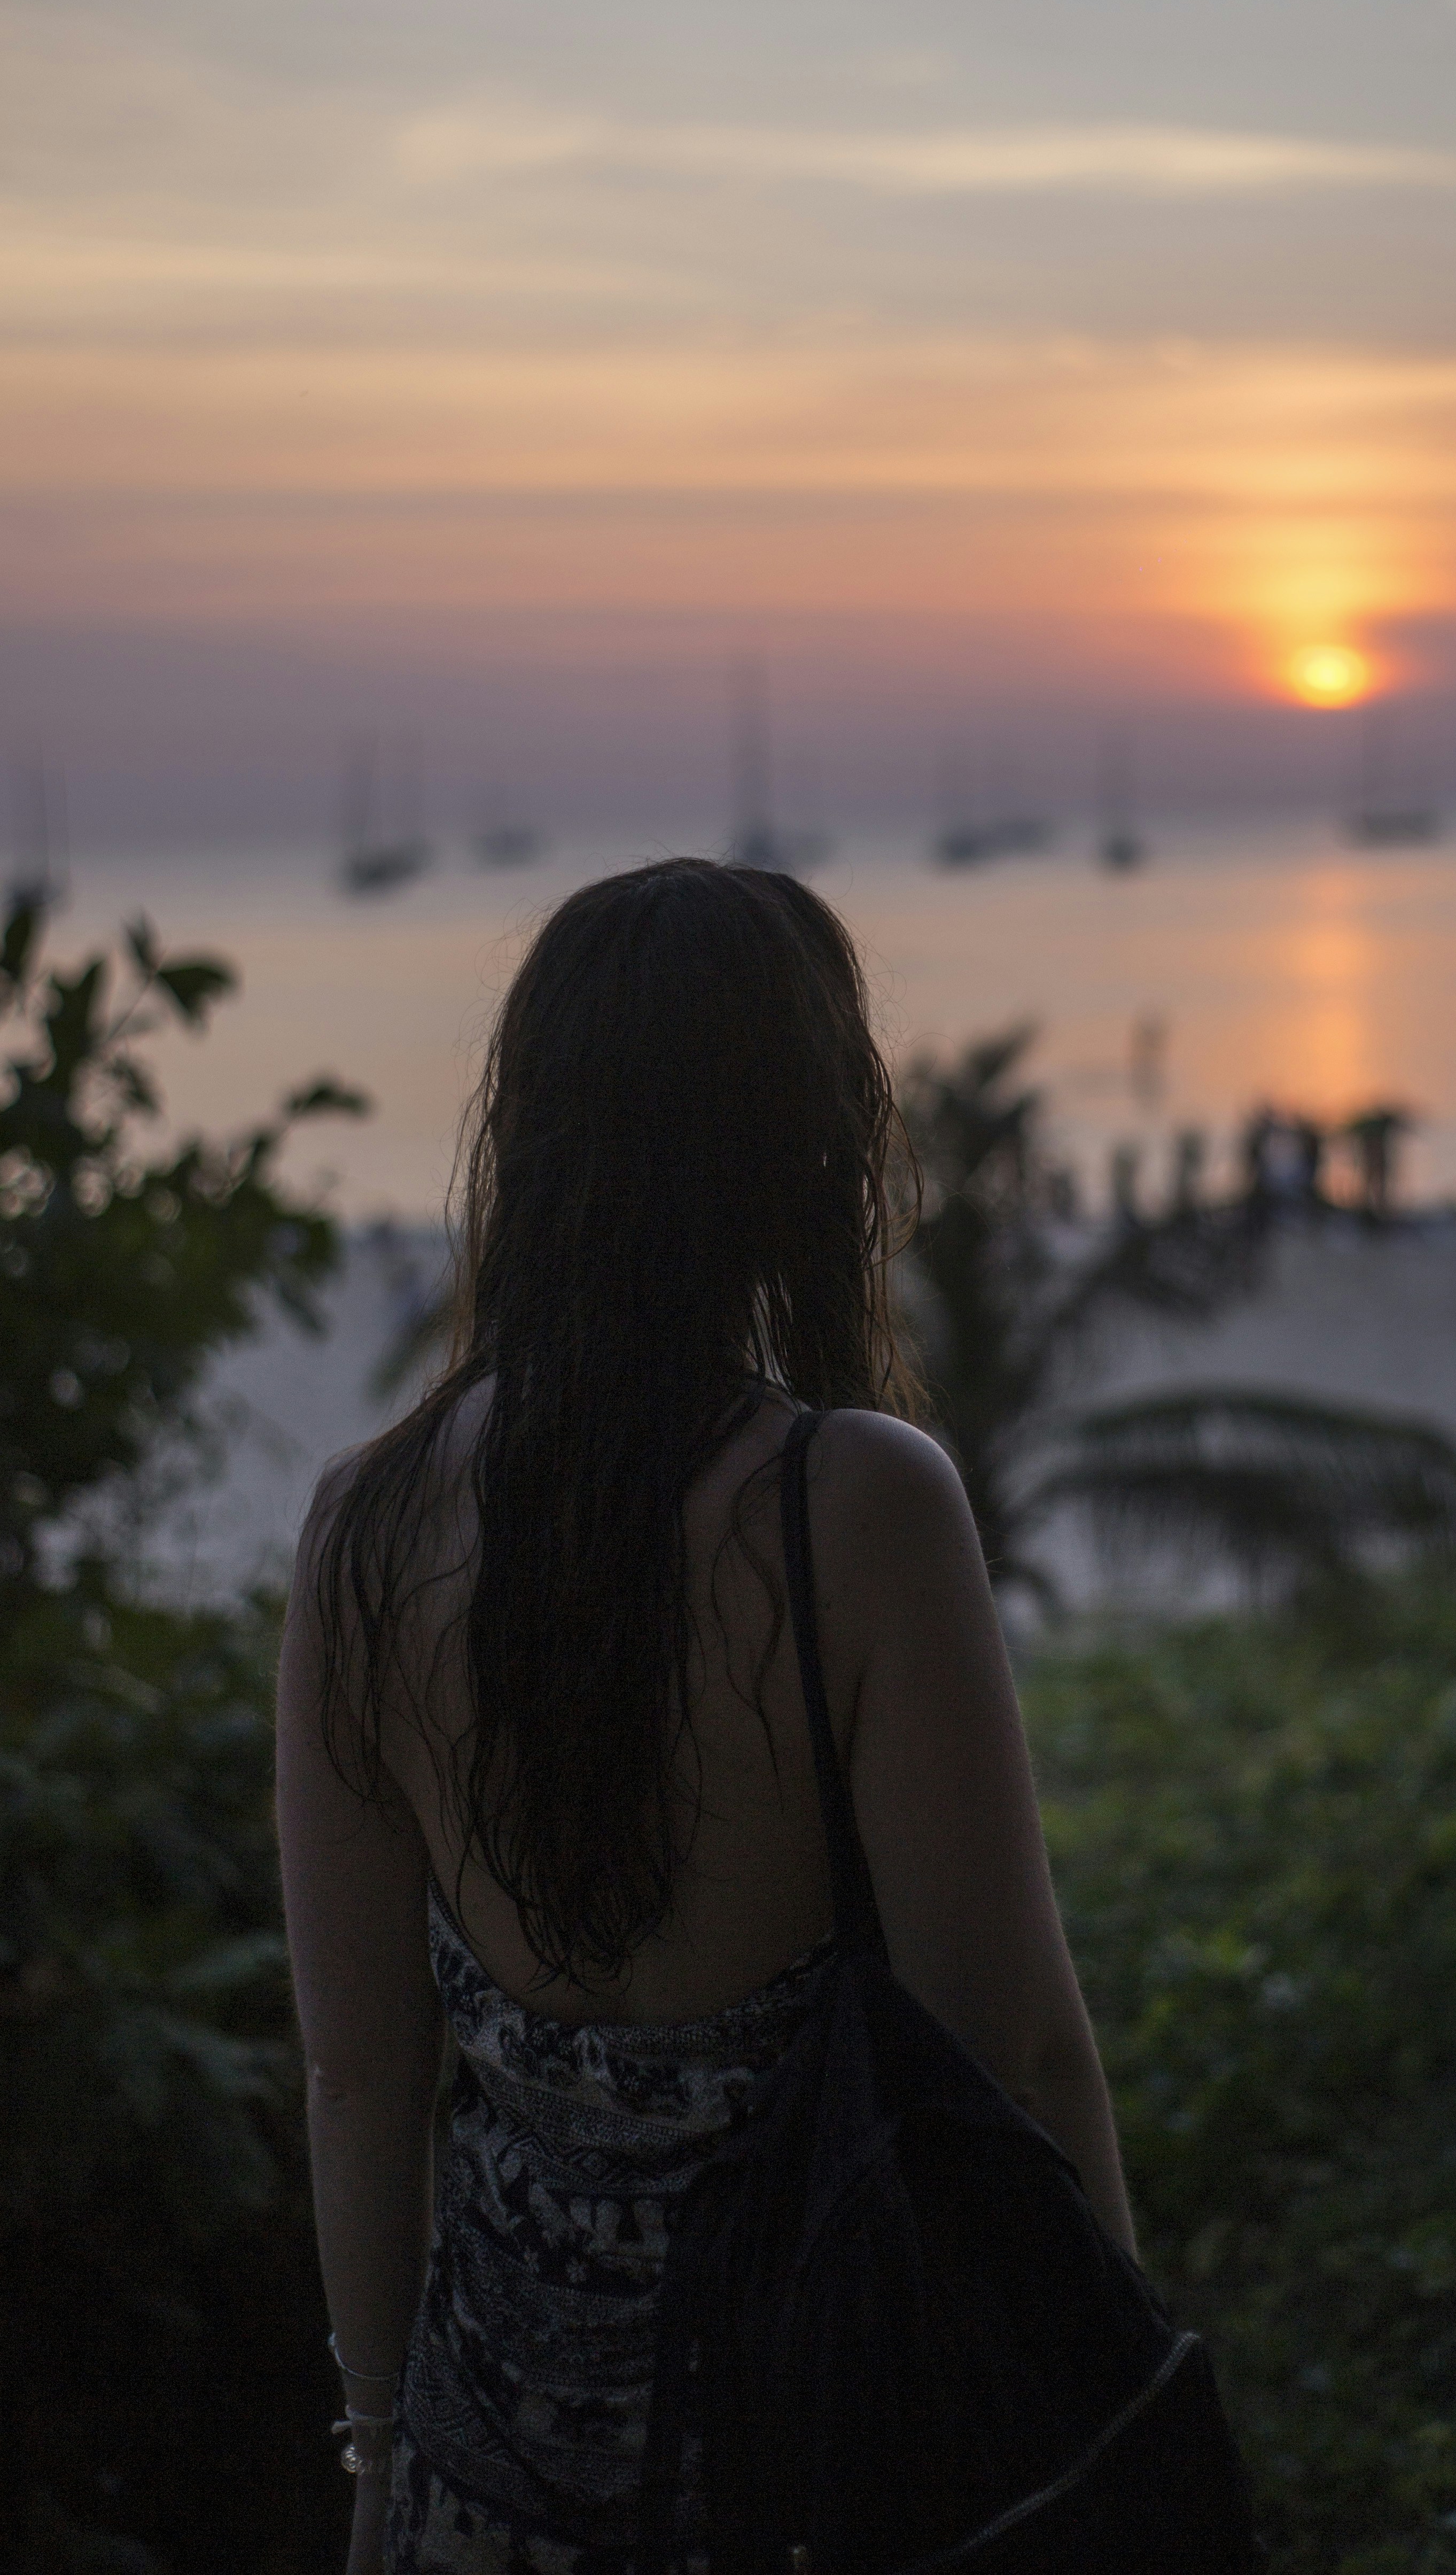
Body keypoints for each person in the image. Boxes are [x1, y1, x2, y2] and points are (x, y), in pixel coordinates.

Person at [276, 861, 1135, 2575]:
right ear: (801, 1146)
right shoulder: (856, 1503)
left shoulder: (360, 1526)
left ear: (534, 1139)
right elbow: (1012, 2048)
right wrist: (1113, 2407)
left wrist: (378, 2452)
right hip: (812, 2472)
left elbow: (360, 2078)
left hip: (483, 2482)